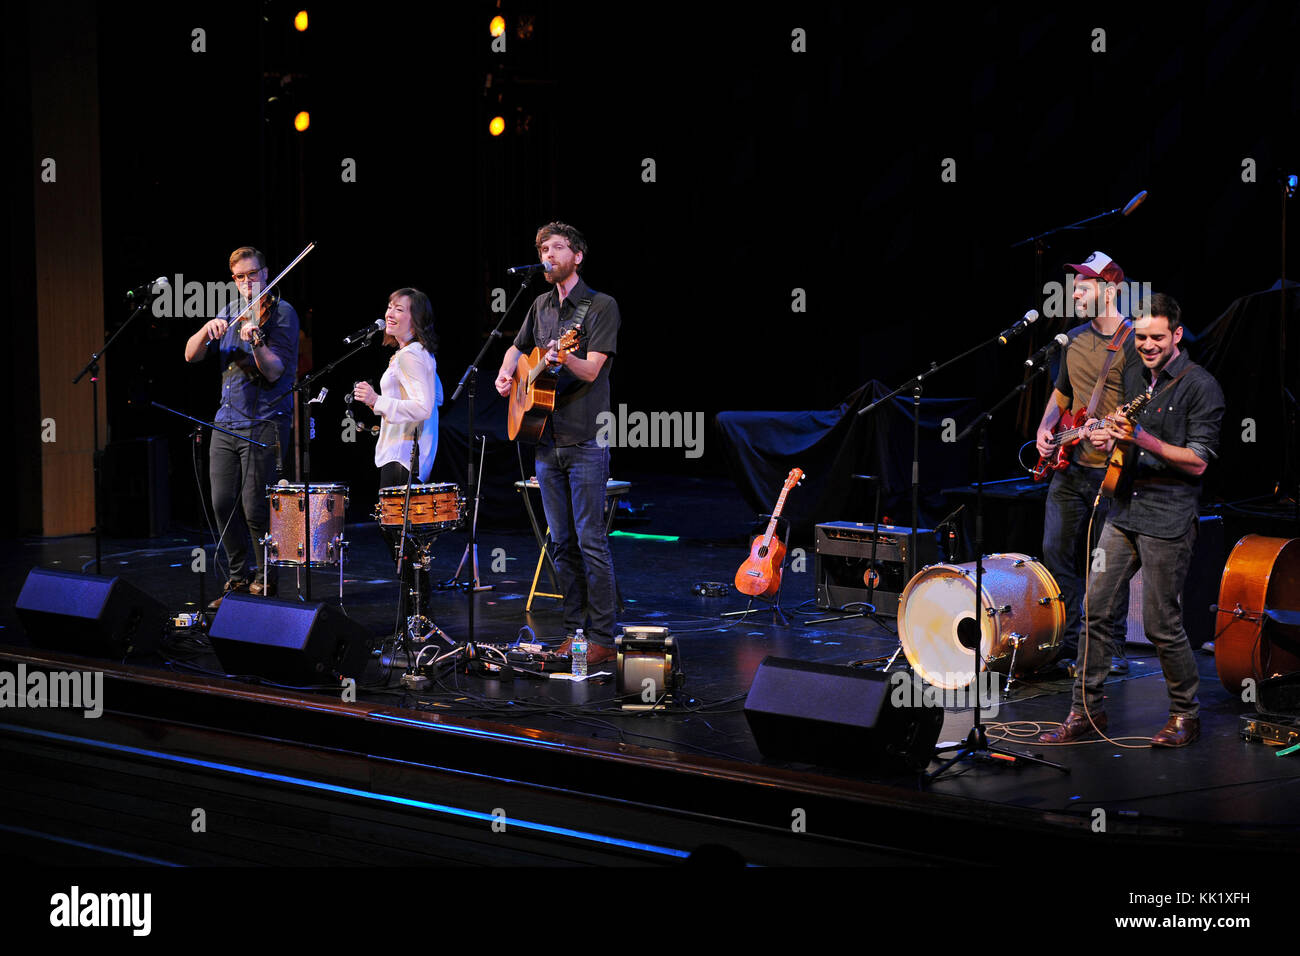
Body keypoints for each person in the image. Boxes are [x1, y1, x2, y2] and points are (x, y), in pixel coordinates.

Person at [1040, 294, 1225, 746]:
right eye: (1141, 337)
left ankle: (1186, 715)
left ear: (1176, 336)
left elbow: (1199, 462)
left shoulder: (1200, 386)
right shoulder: (1138, 376)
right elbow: (1122, 444)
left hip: (1167, 517)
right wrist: (1109, 440)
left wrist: (1143, 438)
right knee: (1095, 608)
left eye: (1156, 337)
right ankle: (1086, 710)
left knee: (1162, 622)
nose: (1146, 345)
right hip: (1122, 510)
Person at [494, 222, 621, 666]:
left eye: (557, 247)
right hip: (544, 439)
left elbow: (591, 372)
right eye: (543, 248)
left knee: (590, 540)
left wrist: (564, 356)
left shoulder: (601, 306)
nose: (548, 254)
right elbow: (517, 347)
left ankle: (603, 635)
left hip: (585, 438)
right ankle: (574, 631)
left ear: (578, 255)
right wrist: (508, 372)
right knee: (560, 541)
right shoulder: (539, 304)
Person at [1034, 251, 1144, 674]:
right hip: (1070, 466)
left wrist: (1114, 431)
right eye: (1075, 285)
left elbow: (1144, 406)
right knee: (1055, 551)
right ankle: (1076, 641)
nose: (1076, 292)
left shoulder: (1135, 341)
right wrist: (1045, 430)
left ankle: (1109, 649)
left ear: (1111, 289)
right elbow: (1062, 394)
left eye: (1085, 285)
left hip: (1113, 470)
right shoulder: (1072, 339)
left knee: (1104, 563)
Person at [185, 246, 299, 607]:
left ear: (266, 272)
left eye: (252, 274)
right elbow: (190, 354)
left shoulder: (282, 312)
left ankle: (265, 582)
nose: (247, 281)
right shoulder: (229, 312)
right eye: (239, 276)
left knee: (255, 508)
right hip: (226, 420)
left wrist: (257, 341)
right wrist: (206, 329)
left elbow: (275, 371)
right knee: (221, 503)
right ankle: (237, 578)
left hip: (265, 421)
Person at [353, 289, 444, 617]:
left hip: (403, 457)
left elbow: (423, 406)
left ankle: (418, 615)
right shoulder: (414, 353)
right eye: (389, 306)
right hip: (402, 454)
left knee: (401, 540)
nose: (390, 314)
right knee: (403, 541)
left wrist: (377, 401)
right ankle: (416, 615)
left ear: (416, 319)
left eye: (400, 309)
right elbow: (437, 396)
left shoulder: (410, 355)